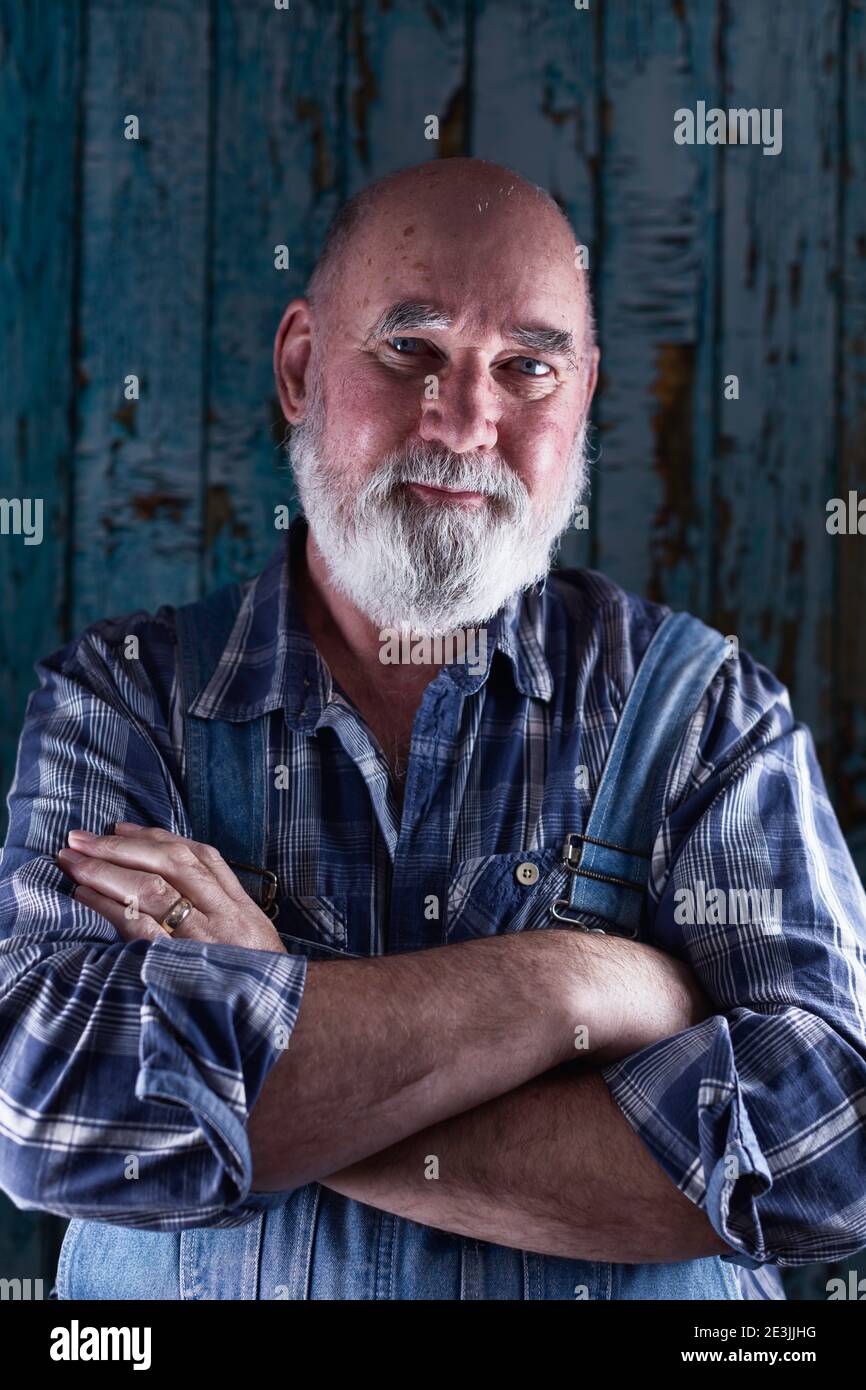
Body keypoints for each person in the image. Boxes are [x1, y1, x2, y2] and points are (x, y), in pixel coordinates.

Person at [2, 158, 865, 1301]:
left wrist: (272, 1041)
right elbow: (51, 1106)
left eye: (526, 368)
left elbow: (825, 1154)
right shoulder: (125, 701)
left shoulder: (705, 714)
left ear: (582, 396)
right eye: (409, 349)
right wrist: (574, 991)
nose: (462, 423)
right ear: (303, 365)